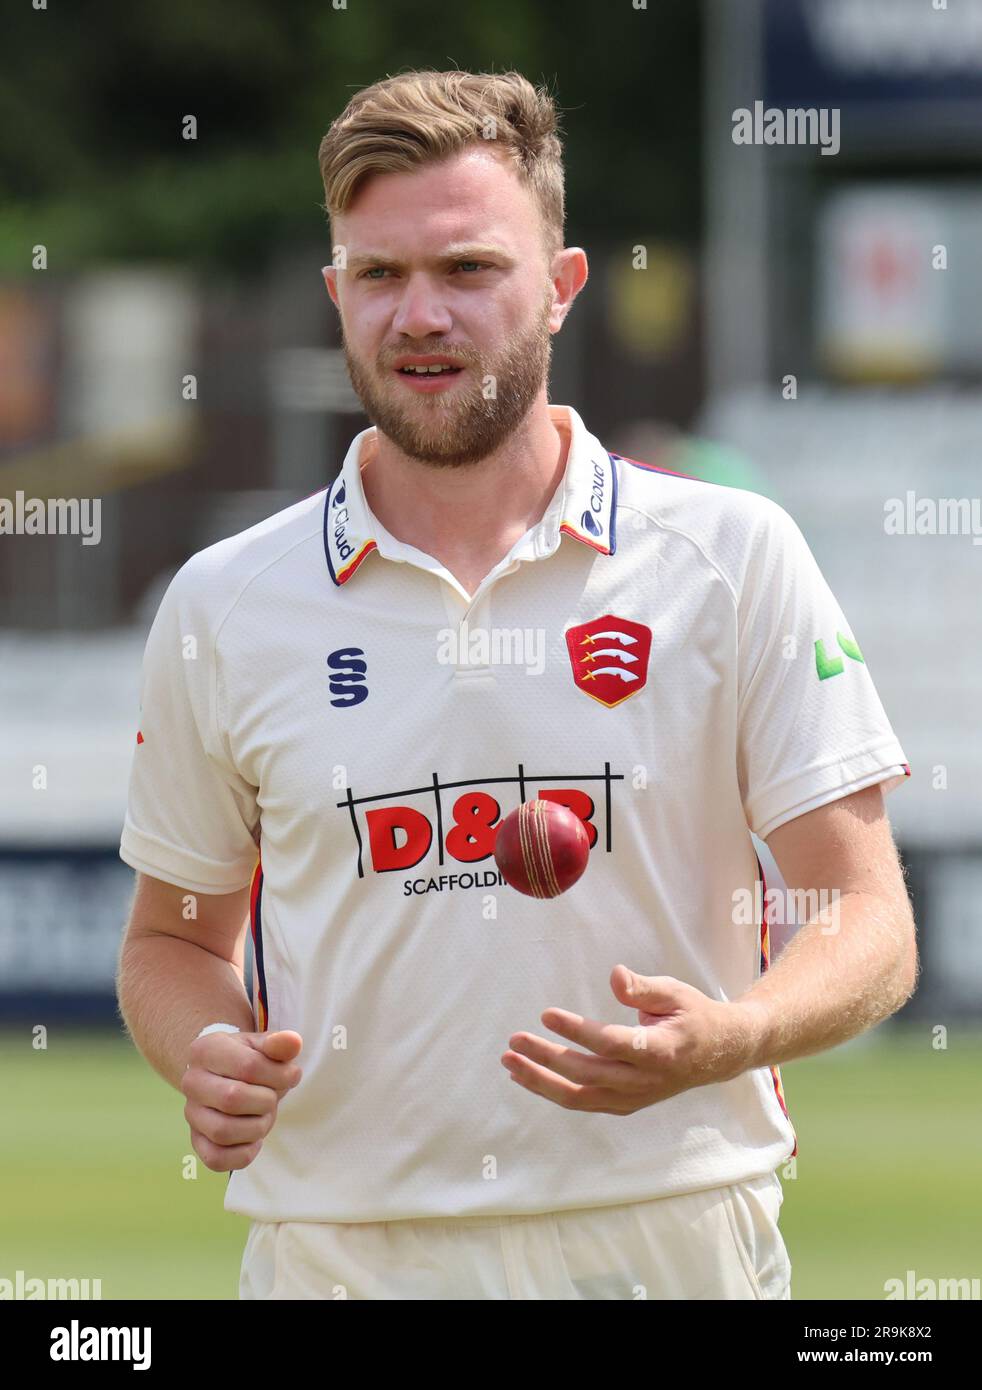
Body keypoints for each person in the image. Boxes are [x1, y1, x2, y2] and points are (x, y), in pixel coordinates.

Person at [116, 69, 916, 1301]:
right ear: (335, 294)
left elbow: (866, 918)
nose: (418, 315)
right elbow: (171, 944)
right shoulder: (221, 602)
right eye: (378, 276)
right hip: (343, 1257)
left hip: (669, 1237)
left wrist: (735, 1036)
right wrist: (207, 1050)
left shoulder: (730, 554)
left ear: (560, 284)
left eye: (468, 270)